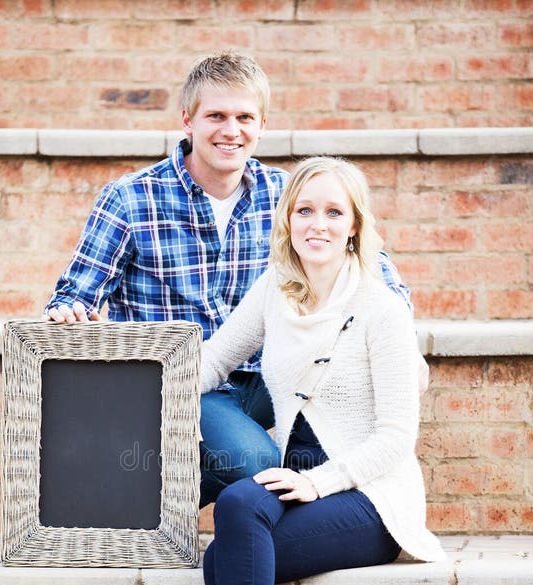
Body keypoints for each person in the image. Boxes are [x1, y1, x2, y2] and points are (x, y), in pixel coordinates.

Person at [172, 156, 445, 585]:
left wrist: (322, 483)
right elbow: (211, 362)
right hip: (300, 484)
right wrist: (131, 390)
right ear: (287, 219)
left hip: (372, 498)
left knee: (226, 550)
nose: (317, 224)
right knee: (232, 533)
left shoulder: (381, 308)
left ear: (354, 226)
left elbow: (396, 439)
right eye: (305, 210)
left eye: (333, 212)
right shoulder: (276, 289)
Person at [43, 52, 413, 507]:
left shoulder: (286, 194)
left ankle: (130, 496)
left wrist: (405, 348)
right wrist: (70, 314)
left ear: (262, 125)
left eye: (244, 117)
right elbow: (75, 294)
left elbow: (378, 272)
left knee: (323, 441)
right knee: (255, 461)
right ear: (188, 120)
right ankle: (124, 495)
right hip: (189, 376)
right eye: (216, 116)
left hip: (272, 372)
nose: (230, 131)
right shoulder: (131, 198)